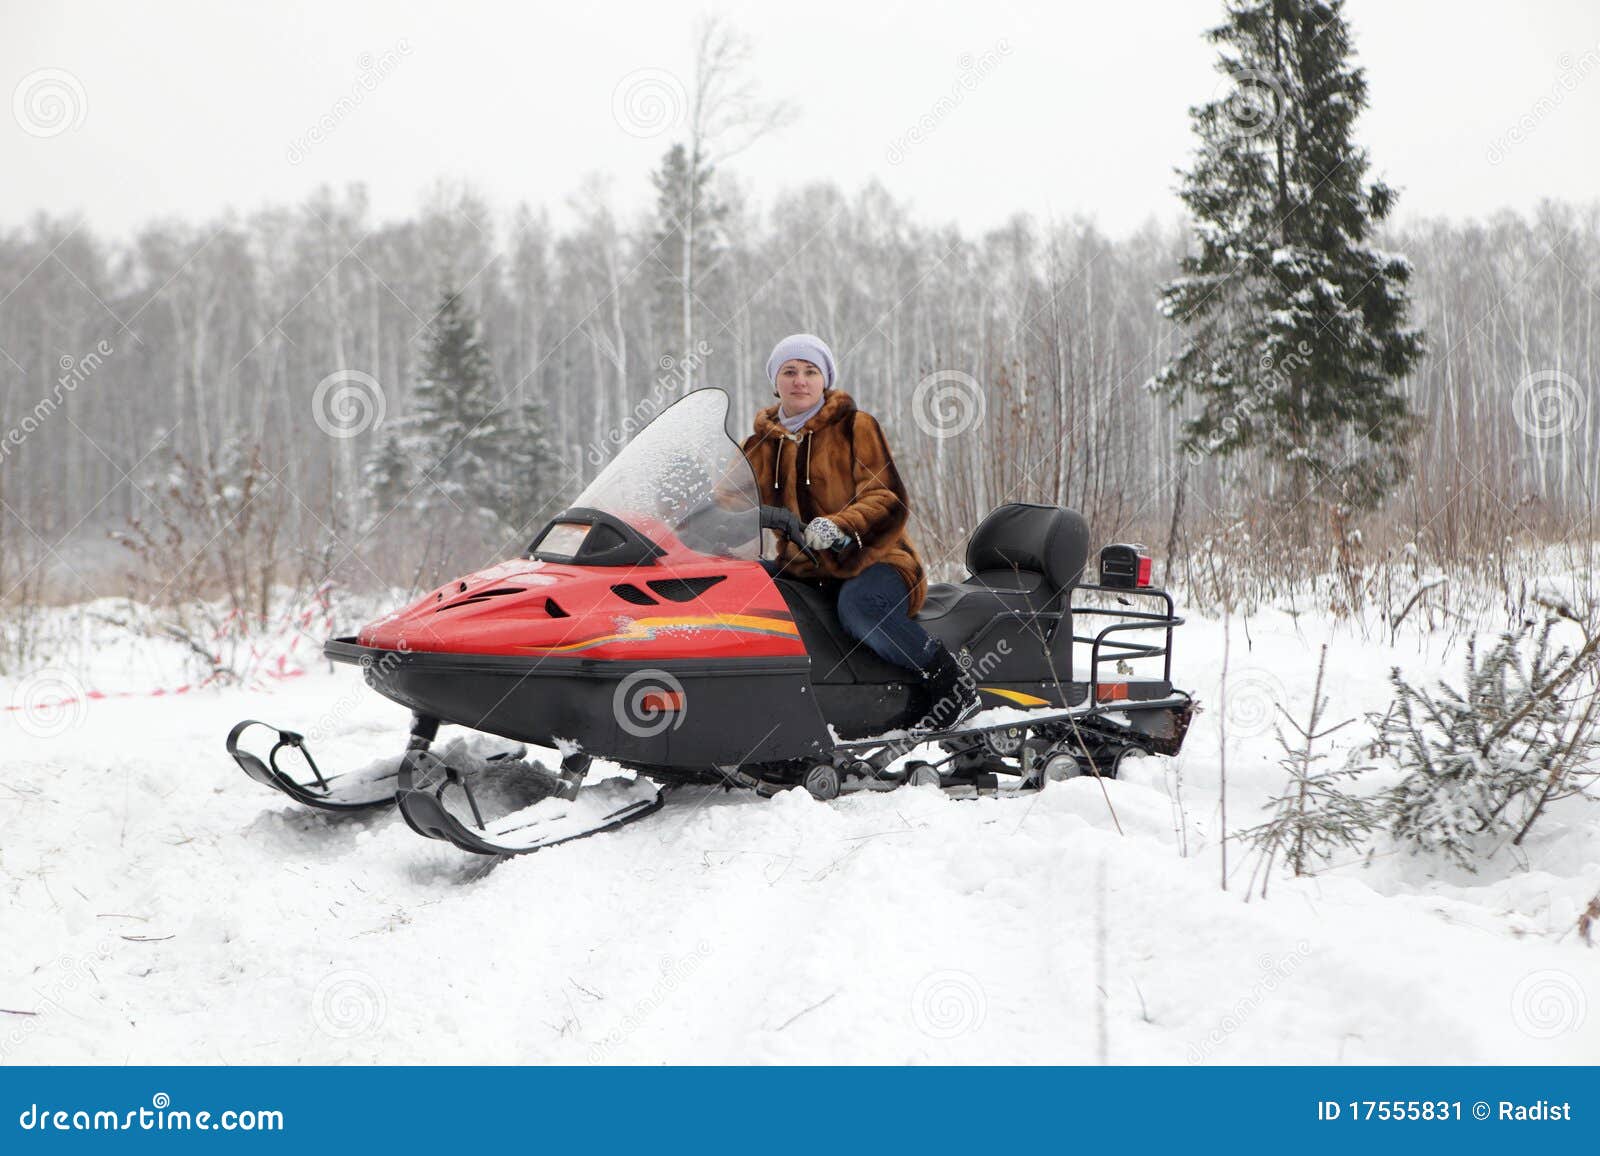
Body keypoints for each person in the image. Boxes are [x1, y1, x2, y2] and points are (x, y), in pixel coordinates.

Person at [739, 333, 979, 729]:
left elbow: (884, 495)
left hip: (876, 560)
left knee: (859, 608)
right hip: (806, 569)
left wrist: (839, 525)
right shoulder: (760, 445)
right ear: (775, 380)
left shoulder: (855, 427)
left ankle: (951, 684)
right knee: (737, 584)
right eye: (790, 371)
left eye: (810, 371)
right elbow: (728, 501)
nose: (800, 380)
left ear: (824, 380)